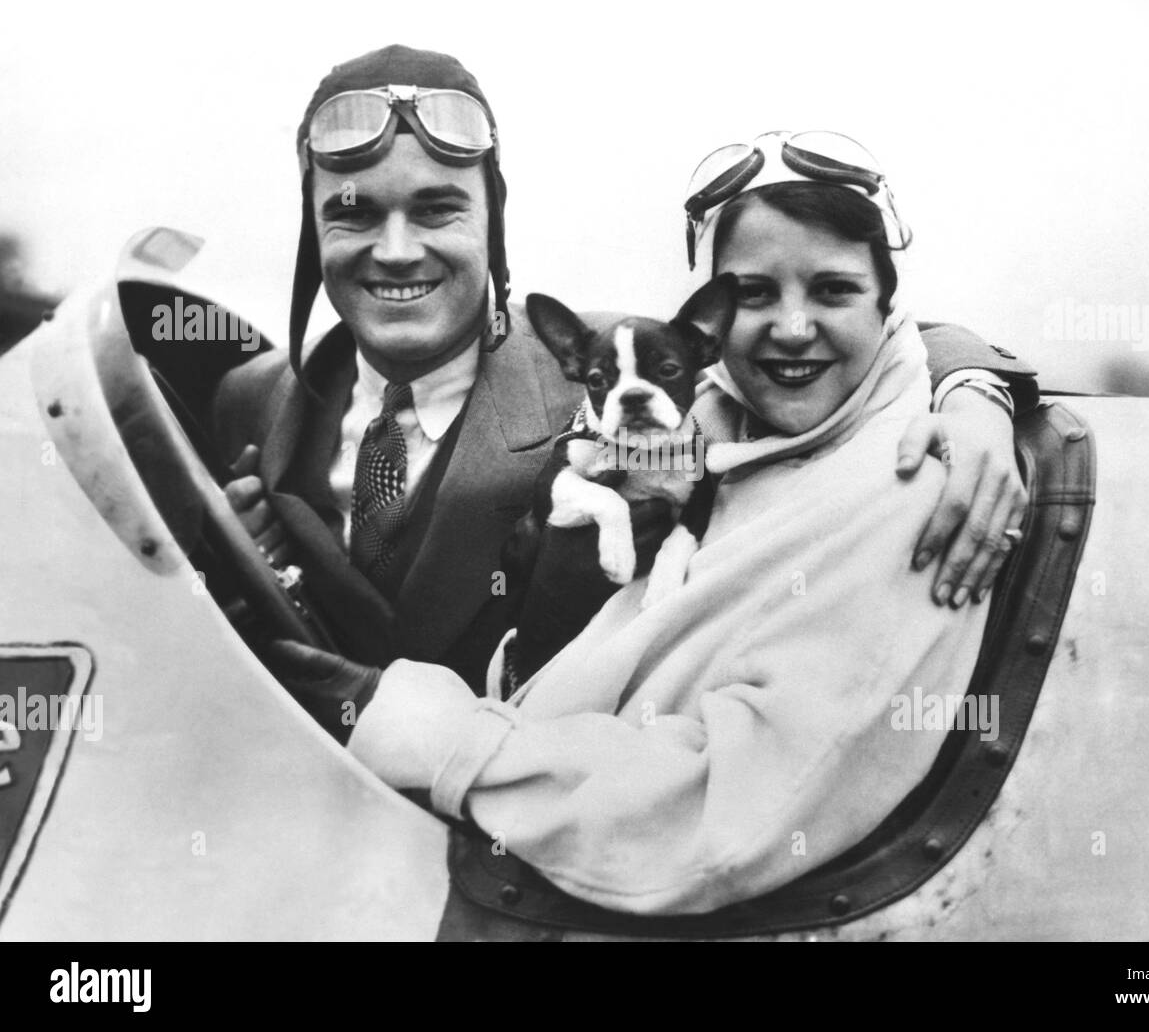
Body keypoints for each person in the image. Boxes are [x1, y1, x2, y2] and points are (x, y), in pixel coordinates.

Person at [214, 45, 1034, 706]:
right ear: (310, 224)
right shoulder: (249, 398)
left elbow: (825, 334)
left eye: (437, 208)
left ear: (493, 218)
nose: (396, 250)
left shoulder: (610, 366)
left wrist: (976, 397)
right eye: (352, 210)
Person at [344, 130, 994, 915]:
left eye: (833, 291)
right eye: (754, 293)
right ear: (713, 322)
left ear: (888, 306)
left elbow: (720, 821)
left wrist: (446, 739)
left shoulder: (925, 487)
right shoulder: (725, 416)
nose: (790, 327)